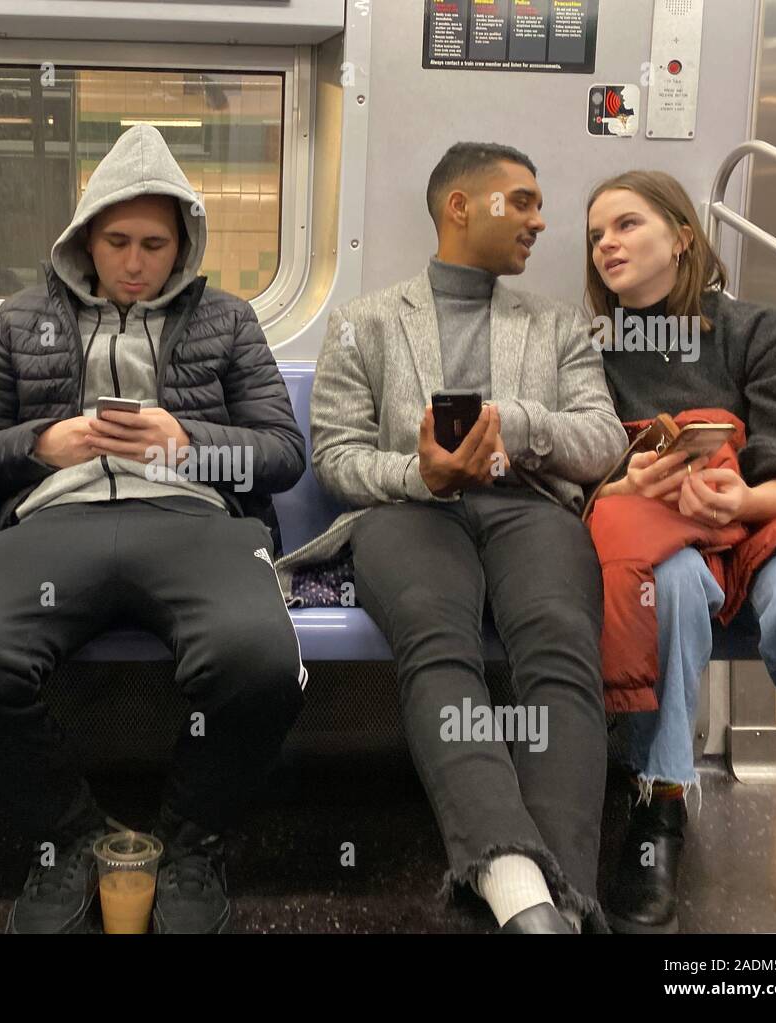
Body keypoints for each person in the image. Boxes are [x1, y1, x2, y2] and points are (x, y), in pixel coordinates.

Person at [0, 124, 308, 935]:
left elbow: (282, 453)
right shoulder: (24, 319)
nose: (135, 261)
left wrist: (189, 444)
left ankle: (190, 843)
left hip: (194, 517)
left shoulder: (227, 320)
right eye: (117, 240)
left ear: (183, 242)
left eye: (155, 244)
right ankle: (73, 838)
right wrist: (38, 444)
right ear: (84, 239)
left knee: (258, 659)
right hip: (54, 517)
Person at [276, 142, 627, 933]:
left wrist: (517, 424)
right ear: (460, 207)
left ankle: (560, 898)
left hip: (529, 508)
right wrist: (422, 474)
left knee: (561, 643)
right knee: (437, 641)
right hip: (407, 512)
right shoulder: (364, 323)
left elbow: (603, 440)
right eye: (524, 201)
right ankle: (515, 887)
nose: (542, 221)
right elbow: (335, 455)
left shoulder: (559, 327)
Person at [585, 169, 776, 933]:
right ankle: (659, 808)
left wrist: (743, 498)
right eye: (598, 233)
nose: (607, 243)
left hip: (762, 513)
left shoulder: (759, 331)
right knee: (656, 588)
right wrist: (625, 478)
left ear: (684, 237)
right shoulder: (592, 350)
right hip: (658, 527)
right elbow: (582, 473)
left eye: (628, 225)